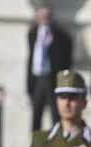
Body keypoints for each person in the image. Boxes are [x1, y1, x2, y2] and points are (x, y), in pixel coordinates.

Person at [26, 3, 72, 132]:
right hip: (37, 77)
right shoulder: (33, 33)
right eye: (42, 16)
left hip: (53, 77)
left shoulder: (60, 35)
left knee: (55, 112)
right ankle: (36, 142)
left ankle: (57, 139)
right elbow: (31, 58)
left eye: (47, 16)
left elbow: (65, 60)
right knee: (36, 112)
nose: (44, 19)